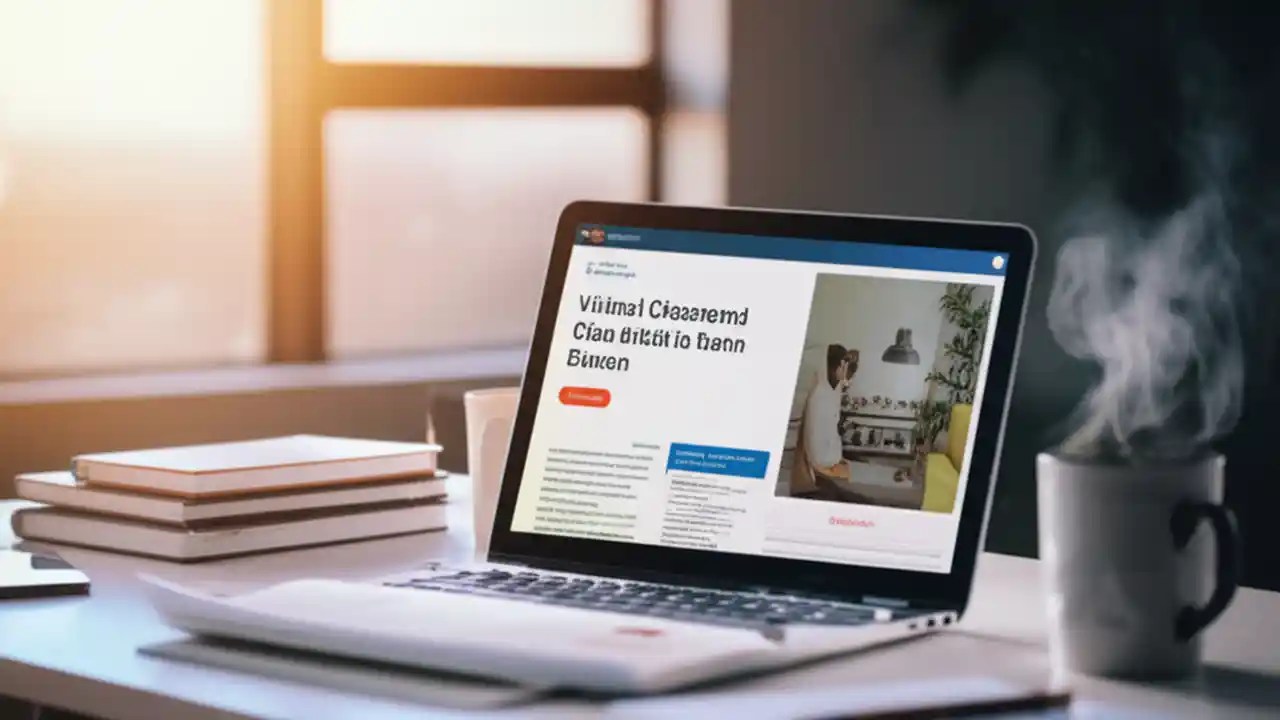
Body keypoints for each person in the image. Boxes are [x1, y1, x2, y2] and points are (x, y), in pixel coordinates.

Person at [803, 345, 858, 479]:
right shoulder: (820, 391)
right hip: (823, 462)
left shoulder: (834, 387)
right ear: (839, 365)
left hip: (830, 459)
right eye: (844, 366)